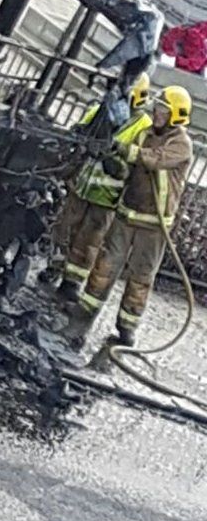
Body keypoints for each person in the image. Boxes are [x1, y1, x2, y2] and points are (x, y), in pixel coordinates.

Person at [68, 85, 194, 348]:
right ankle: (82, 316)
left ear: (177, 115)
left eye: (163, 109)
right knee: (105, 266)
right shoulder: (146, 133)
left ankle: (127, 327)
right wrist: (116, 166)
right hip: (126, 215)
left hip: (153, 225)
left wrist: (124, 150)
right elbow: (130, 169)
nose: (157, 112)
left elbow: (154, 160)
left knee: (141, 276)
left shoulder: (181, 144)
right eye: (158, 107)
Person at [48, 73, 152, 297]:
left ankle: (72, 281)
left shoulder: (143, 127)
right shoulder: (103, 110)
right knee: (64, 228)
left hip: (107, 195)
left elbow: (137, 165)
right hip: (82, 184)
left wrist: (112, 160)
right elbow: (82, 128)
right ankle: (54, 267)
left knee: (89, 240)